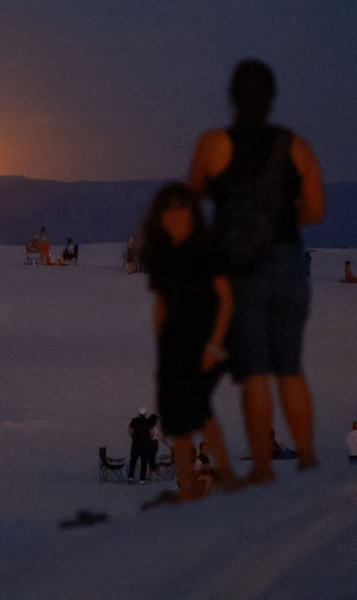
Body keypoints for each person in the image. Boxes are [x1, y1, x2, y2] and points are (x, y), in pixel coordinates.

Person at [187, 59, 324, 483]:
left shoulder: (214, 143)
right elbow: (316, 210)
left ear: (232, 98)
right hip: (287, 260)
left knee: (254, 373)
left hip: (242, 268)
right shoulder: (295, 146)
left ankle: (263, 469)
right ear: (271, 97)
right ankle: (306, 459)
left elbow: (193, 194)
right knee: (290, 368)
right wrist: (279, 220)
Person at [138, 183, 239, 501]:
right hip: (173, 343)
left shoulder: (206, 251)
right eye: (168, 209)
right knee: (175, 418)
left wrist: (214, 344)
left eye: (182, 208)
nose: (175, 215)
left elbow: (226, 299)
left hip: (203, 339)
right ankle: (189, 486)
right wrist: (160, 346)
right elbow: (161, 305)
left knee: (197, 407)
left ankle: (225, 474)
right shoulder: (161, 256)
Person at [127, 408, 153, 484]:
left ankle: (130, 478)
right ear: (145, 414)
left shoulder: (134, 420)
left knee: (133, 461)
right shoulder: (148, 421)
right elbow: (152, 433)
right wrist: (148, 438)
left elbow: (130, 430)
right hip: (145, 444)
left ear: (139, 413)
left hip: (136, 444)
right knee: (144, 462)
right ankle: (142, 480)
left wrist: (133, 437)